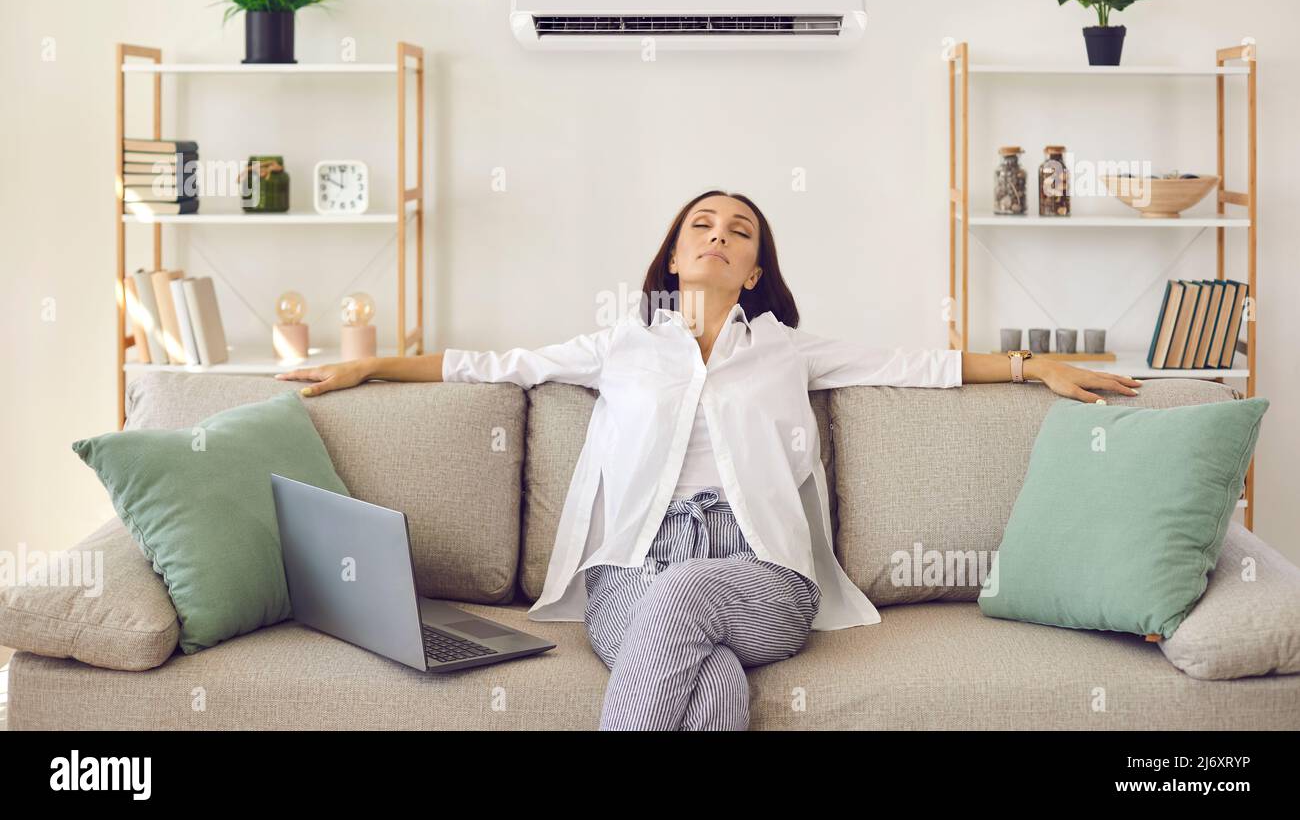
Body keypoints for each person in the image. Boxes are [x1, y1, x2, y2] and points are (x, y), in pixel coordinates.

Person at [276, 189, 1142, 730]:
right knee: (716, 684)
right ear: (677, 254)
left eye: (739, 232)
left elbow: (922, 366)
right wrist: (368, 362)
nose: (719, 236)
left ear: (756, 270)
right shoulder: (622, 345)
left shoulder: (790, 350)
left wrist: (1034, 366)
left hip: (763, 573)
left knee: (692, 602)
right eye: (703, 226)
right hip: (631, 574)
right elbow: (490, 363)